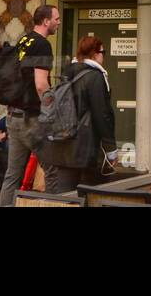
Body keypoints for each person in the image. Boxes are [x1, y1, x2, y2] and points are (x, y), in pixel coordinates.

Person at [0, 5, 62, 207]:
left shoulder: (25, 40)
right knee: (52, 171)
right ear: (46, 21)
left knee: (12, 174)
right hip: (31, 120)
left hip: (13, 117)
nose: (59, 22)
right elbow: (41, 84)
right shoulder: (42, 45)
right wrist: (54, 110)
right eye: (57, 19)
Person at [46, 35, 117, 192]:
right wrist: (110, 149)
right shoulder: (95, 77)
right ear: (94, 53)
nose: (103, 56)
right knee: (91, 194)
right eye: (103, 52)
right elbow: (102, 114)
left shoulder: (68, 72)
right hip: (85, 146)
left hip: (62, 142)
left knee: (65, 196)